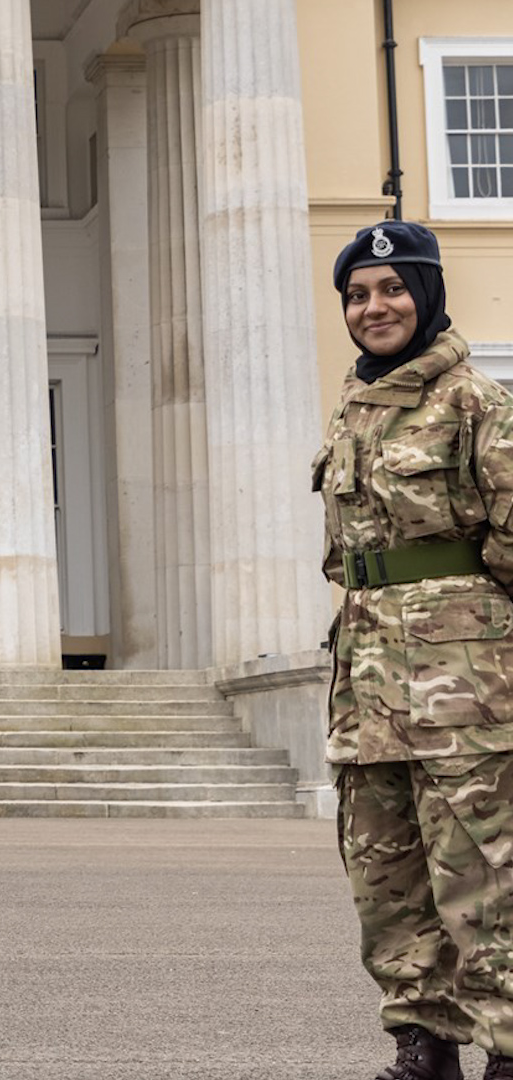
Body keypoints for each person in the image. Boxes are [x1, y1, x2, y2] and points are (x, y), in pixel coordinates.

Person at [315, 220, 513, 1080]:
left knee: (484, 871)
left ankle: (508, 1046)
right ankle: (422, 1042)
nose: (374, 306)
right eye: (359, 294)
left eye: (392, 288)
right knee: (384, 870)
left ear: (425, 294)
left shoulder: (475, 400)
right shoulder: (353, 408)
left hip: (462, 687)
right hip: (365, 683)